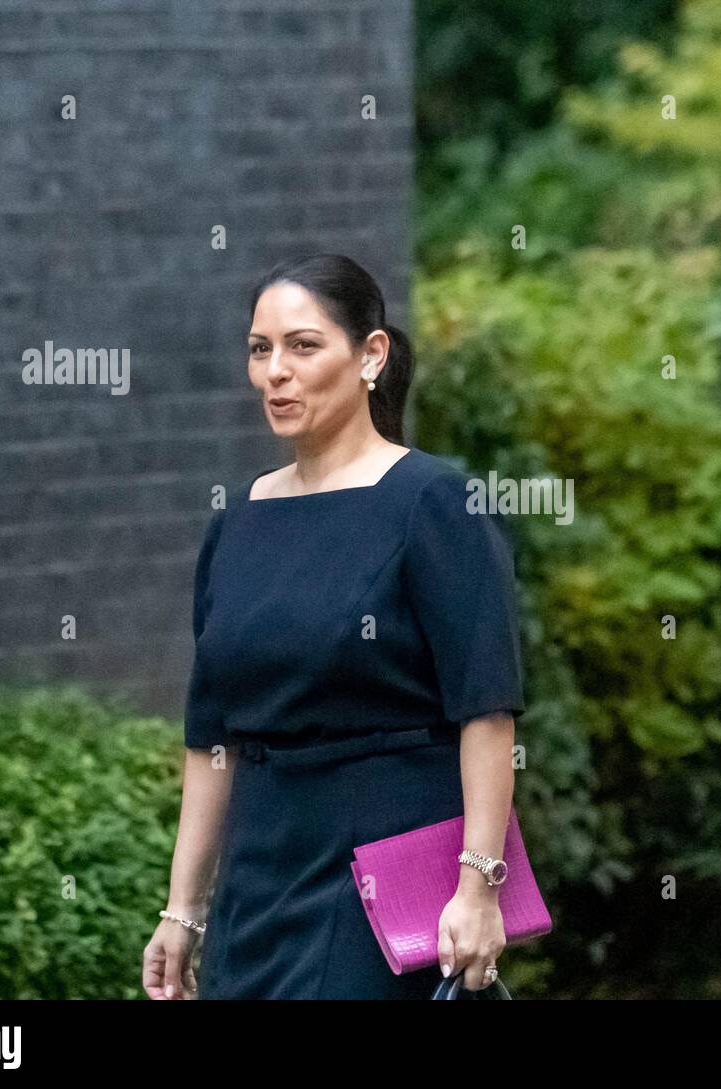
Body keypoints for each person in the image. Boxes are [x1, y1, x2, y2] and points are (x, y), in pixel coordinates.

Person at [141, 253, 526, 999]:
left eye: (303, 345)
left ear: (371, 355)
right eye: (261, 349)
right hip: (258, 880)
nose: (275, 371)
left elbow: (487, 705)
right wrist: (183, 912)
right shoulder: (238, 520)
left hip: (383, 873)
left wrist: (479, 887)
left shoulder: (435, 502)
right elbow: (210, 736)